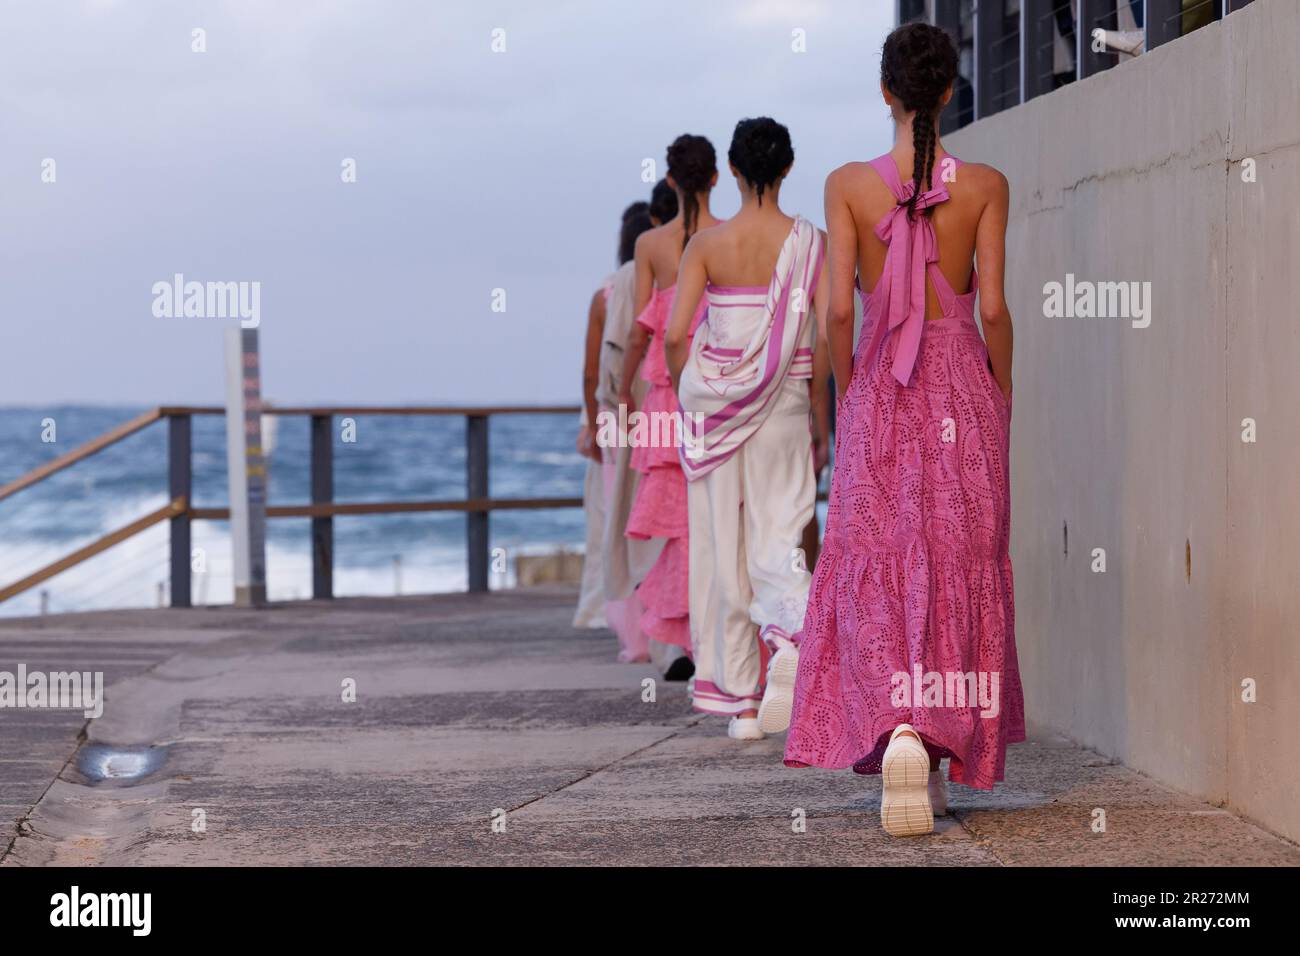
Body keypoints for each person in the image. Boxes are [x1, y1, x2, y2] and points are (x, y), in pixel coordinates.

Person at [782, 23, 1024, 836]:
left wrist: (852, 397)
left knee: (882, 556)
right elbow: (990, 307)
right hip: (960, 382)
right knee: (955, 555)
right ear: (952, 92)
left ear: (886, 93)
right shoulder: (987, 183)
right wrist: (1003, 388)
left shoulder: (847, 184)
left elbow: (838, 309)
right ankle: (939, 745)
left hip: (884, 380)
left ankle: (898, 730)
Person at [667, 118, 830, 739]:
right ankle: (788, 643)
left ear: (732, 172)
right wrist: (819, 417)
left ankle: (741, 706)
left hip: (716, 412)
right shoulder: (811, 244)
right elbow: (827, 331)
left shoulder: (706, 246)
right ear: (787, 169)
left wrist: (696, 396)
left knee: (721, 544)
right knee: (783, 532)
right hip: (786, 405)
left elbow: (679, 335)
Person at [619, 136, 721, 679]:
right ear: (715, 178)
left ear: (670, 181)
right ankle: (715, 636)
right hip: (716, 386)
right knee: (717, 514)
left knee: (682, 524)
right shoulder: (725, 237)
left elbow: (642, 330)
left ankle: (690, 641)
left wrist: (619, 393)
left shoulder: (650, 245)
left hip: (664, 392)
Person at [574, 202, 652, 633]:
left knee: (607, 517)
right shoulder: (659, 284)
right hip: (654, 413)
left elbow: (590, 371)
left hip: (612, 417)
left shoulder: (604, 295)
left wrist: (592, 423)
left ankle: (606, 609)